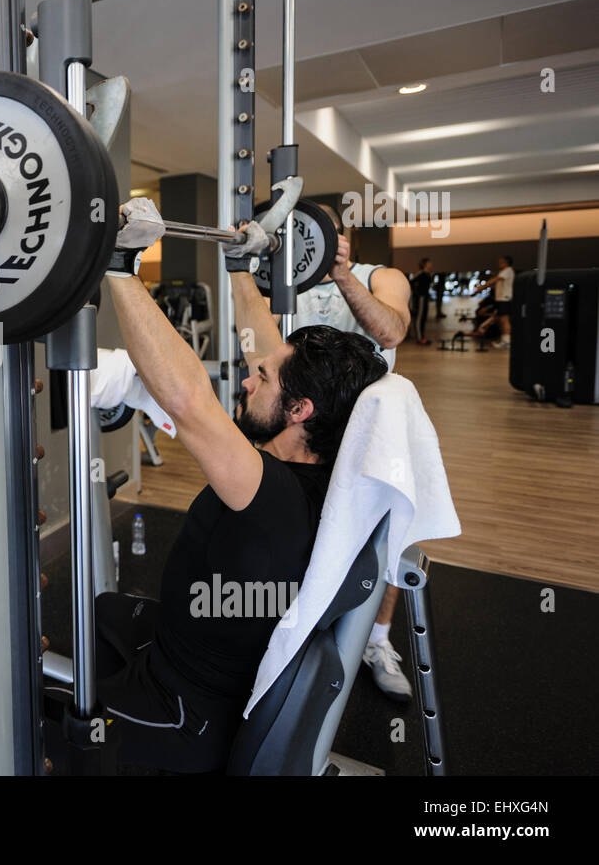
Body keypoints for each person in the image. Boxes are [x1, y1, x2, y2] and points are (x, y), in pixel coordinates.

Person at [94, 200, 388, 773]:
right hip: (197, 658)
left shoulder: (273, 497)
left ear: (299, 410)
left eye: (266, 379)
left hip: (180, 707)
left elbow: (188, 400)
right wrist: (236, 266)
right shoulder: (315, 463)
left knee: (34, 728)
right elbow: (265, 347)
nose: (249, 374)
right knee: (103, 612)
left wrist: (119, 266)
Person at [226, 209, 416, 703]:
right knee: (296, 536)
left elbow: (391, 332)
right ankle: (289, 634)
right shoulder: (285, 284)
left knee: (382, 543)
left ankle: (376, 640)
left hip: (368, 435)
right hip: (304, 433)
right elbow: (256, 346)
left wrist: (339, 272)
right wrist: (241, 267)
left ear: (342, 236)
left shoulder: (382, 277)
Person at [469, 255, 515, 349]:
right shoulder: (505, 272)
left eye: (501, 262)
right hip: (502, 299)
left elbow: (494, 281)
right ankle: (504, 339)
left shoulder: (507, 271)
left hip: (504, 299)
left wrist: (480, 288)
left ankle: (507, 341)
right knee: (499, 319)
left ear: (505, 262)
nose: (499, 264)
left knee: (504, 320)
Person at [409, 258, 434, 345]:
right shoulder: (420, 274)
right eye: (429, 263)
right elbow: (411, 283)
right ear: (424, 264)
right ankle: (419, 338)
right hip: (420, 298)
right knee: (419, 318)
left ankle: (422, 337)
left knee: (423, 318)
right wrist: (417, 294)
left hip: (425, 298)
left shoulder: (428, 274)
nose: (431, 264)